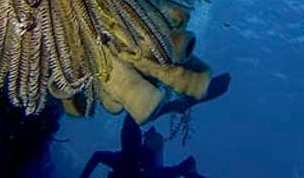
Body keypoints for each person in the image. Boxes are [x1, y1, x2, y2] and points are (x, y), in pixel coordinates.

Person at [79, 73, 231, 178]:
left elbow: (97, 156)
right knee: (133, 118)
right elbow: (97, 156)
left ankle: (169, 101)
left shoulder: (124, 164)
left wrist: (189, 172)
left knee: (134, 118)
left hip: (138, 162)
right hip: (141, 164)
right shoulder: (127, 164)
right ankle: (168, 101)